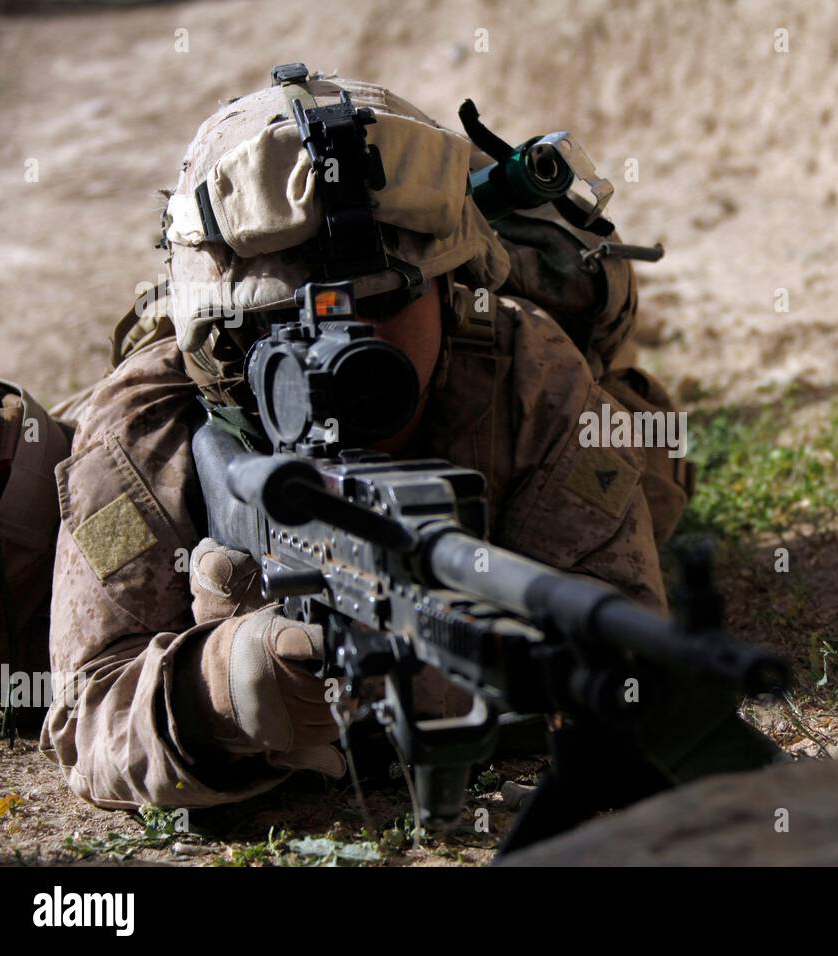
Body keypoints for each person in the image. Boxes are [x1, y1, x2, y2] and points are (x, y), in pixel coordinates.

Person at [36, 68, 693, 811]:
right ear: (222, 348)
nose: (350, 356)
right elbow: (87, 715)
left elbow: (628, 648)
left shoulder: (526, 374)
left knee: (654, 462)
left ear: (450, 285)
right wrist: (224, 684)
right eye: (291, 323)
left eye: (390, 300)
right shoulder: (147, 424)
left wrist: (431, 669)